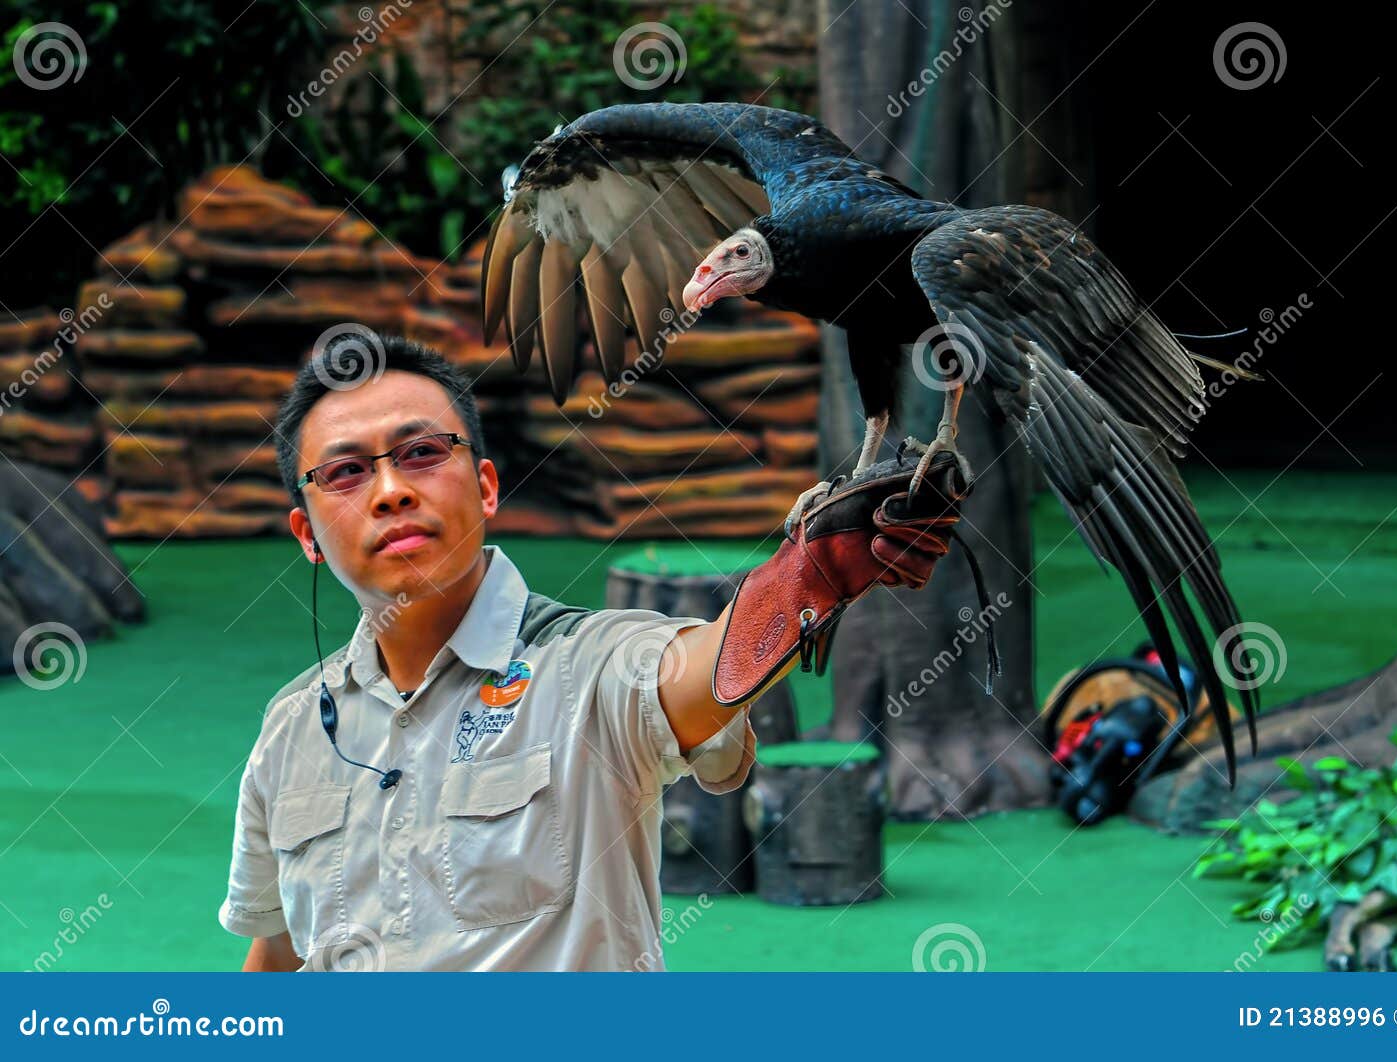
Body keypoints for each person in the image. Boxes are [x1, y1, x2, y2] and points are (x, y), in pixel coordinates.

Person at [219, 332, 967, 971]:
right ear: (307, 534)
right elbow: (278, 960)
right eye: (346, 472)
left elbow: (693, 673)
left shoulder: (591, 663)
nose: (389, 491)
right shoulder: (292, 729)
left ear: (485, 487)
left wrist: (806, 577)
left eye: (421, 452)